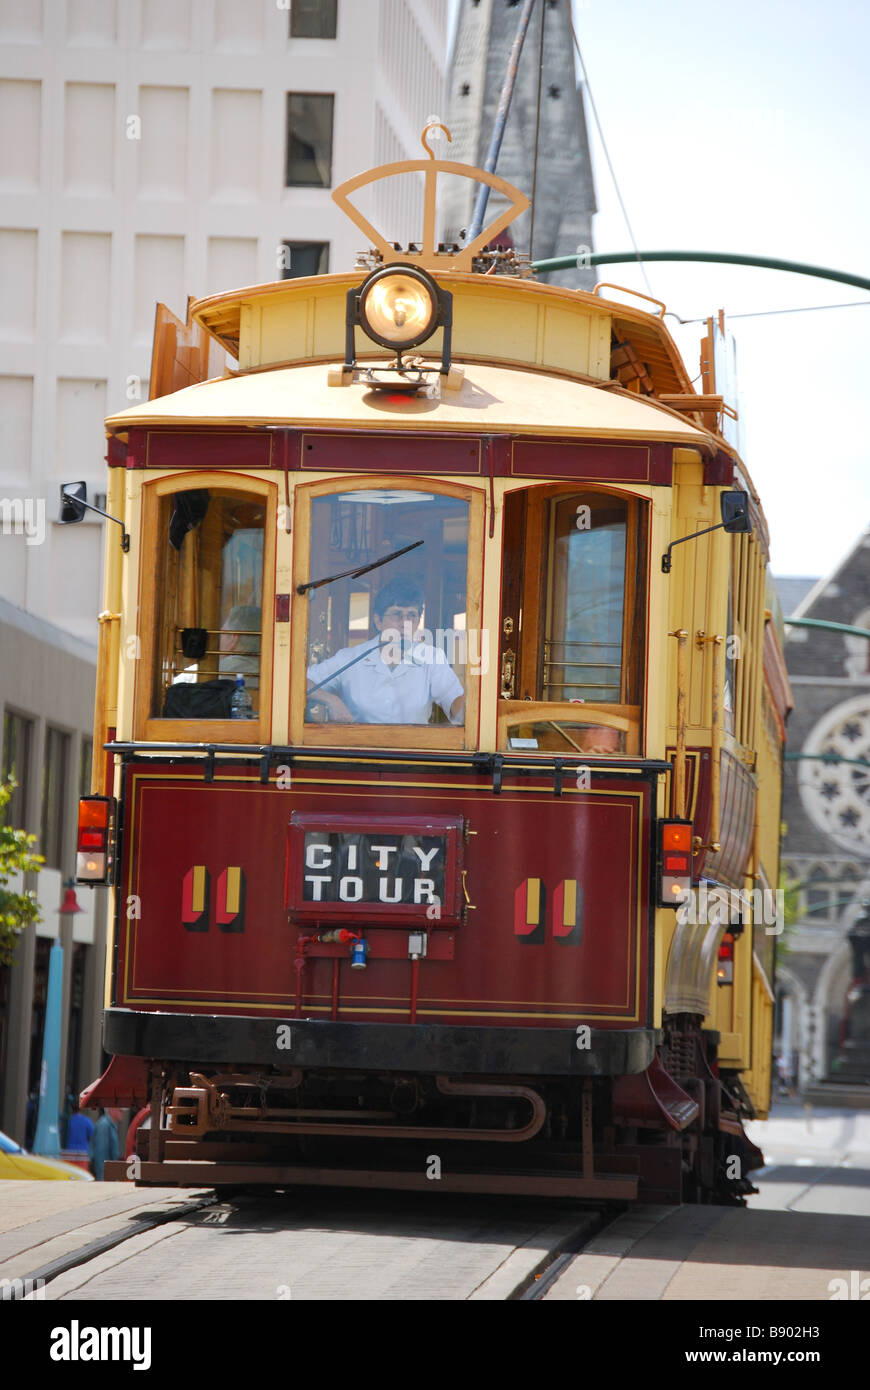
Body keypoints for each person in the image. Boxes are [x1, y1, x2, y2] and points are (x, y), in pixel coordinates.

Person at [307, 578, 464, 726]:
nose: (405, 623)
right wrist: (332, 700)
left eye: (412, 615)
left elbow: (454, 701)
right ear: (378, 621)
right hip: (359, 750)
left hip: (413, 752)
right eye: (397, 615)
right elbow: (298, 683)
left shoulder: (431, 658)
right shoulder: (350, 658)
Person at [218, 604, 261, 689]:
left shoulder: (230, 666)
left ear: (232, 637)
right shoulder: (262, 666)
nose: (219, 638)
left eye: (222, 633)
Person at [90, 1108, 120, 1180]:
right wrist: (102, 1178)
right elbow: (100, 1153)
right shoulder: (104, 1125)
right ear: (111, 1110)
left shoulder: (109, 1125)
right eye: (120, 1110)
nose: (122, 1113)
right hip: (104, 1176)